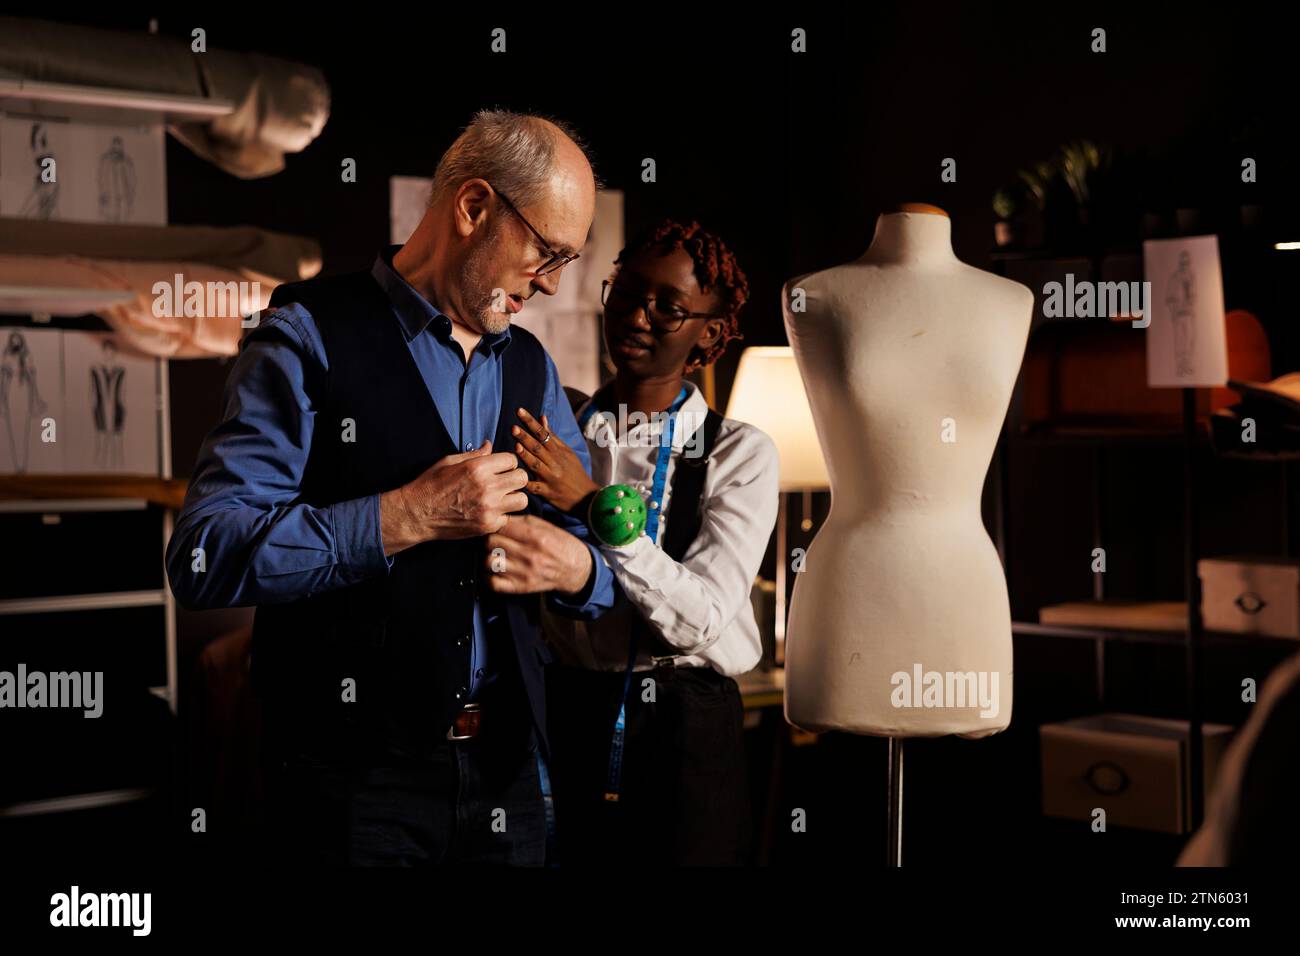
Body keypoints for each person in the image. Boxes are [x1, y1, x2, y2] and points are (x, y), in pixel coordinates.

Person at [165, 109, 615, 866]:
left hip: (509, 777)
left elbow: (590, 550)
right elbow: (204, 557)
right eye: (547, 251)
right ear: (474, 208)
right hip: (353, 791)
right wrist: (404, 517)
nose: (551, 283)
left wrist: (582, 571)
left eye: (570, 260)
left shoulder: (532, 368)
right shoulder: (305, 336)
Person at [512, 219, 779, 865]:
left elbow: (701, 620)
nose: (636, 316)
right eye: (626, 292)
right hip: (565, 706)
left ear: (710, 332)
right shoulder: (557, 428)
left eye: (668, 306)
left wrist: (587, 503)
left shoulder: (738, 451)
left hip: (683, 721)